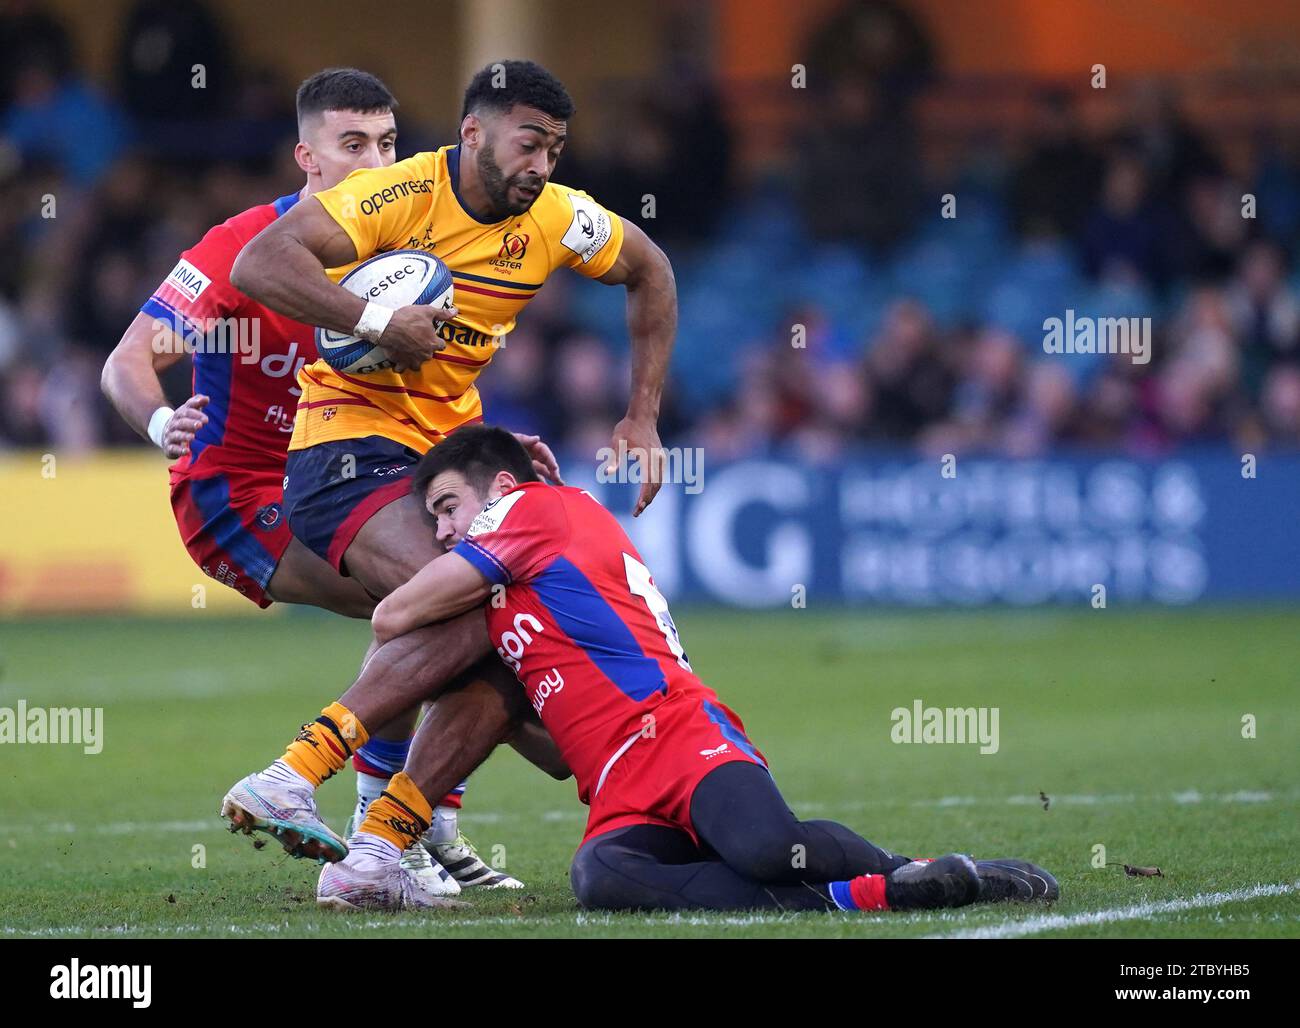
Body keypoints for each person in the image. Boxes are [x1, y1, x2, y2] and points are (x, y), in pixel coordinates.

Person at [224, 426, 1059, 912]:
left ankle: (919, 872)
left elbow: (396, 612)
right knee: (602, 877)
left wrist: (444, 640)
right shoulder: (516, 593)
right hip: (615, 778)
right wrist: (484, 707)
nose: (442, 532)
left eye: (446, 508)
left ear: (501, 485)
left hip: (672, 727)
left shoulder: (532, 510)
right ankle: (871, 898)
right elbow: (556, 753)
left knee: (767, 848)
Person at [221, 60, 678, 890]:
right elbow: (260, 262)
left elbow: (653, 272)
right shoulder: (395, 195)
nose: (542, 164)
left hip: (443, 463)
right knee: (468, 609)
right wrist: (375, 319)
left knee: (510, 646)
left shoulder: (558, 219)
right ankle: (298, 781)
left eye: (556, 148)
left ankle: (380, 850)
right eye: (528, 142)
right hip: (343, 453)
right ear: (472, 134)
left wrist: (640, 415)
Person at [103, 67, 540, 892]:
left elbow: (426, 397)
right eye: (350, 146)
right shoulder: (242, 249)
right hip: (238, 494)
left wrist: (494, 446)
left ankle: (402, 828)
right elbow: (126, 362)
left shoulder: (412, 258)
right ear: (306, 157)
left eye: (386, 144)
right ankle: (390, 827)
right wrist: (165, 423)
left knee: (446, 599)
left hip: (347, 472)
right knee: (429, 596)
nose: (373, 163)